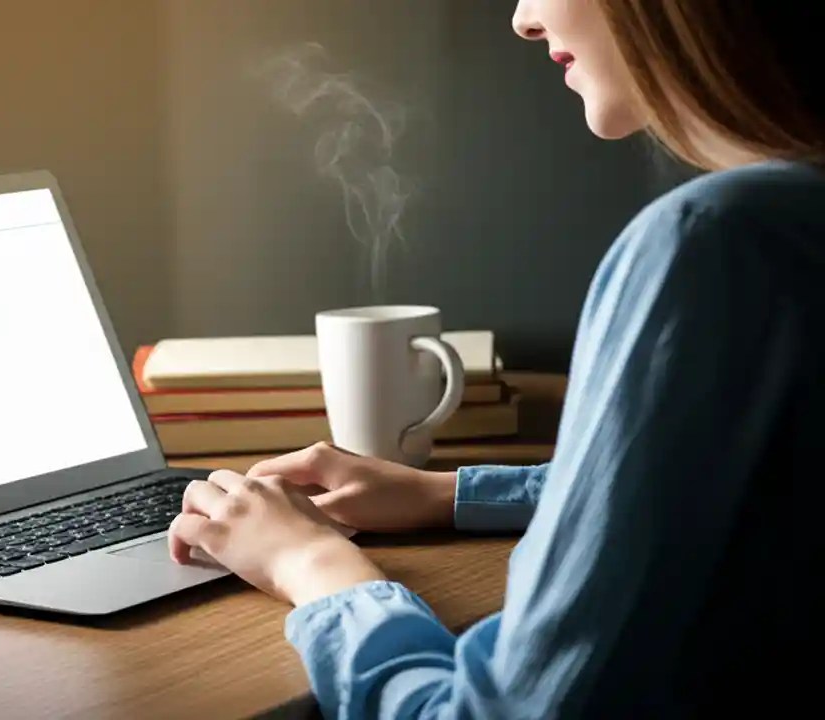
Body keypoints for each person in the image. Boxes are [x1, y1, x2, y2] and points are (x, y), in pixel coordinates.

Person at [167, 1, 824, 717]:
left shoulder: (716, 244)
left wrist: (310, 564)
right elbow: (739, 483)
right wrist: (450, 494)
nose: (522, 19)